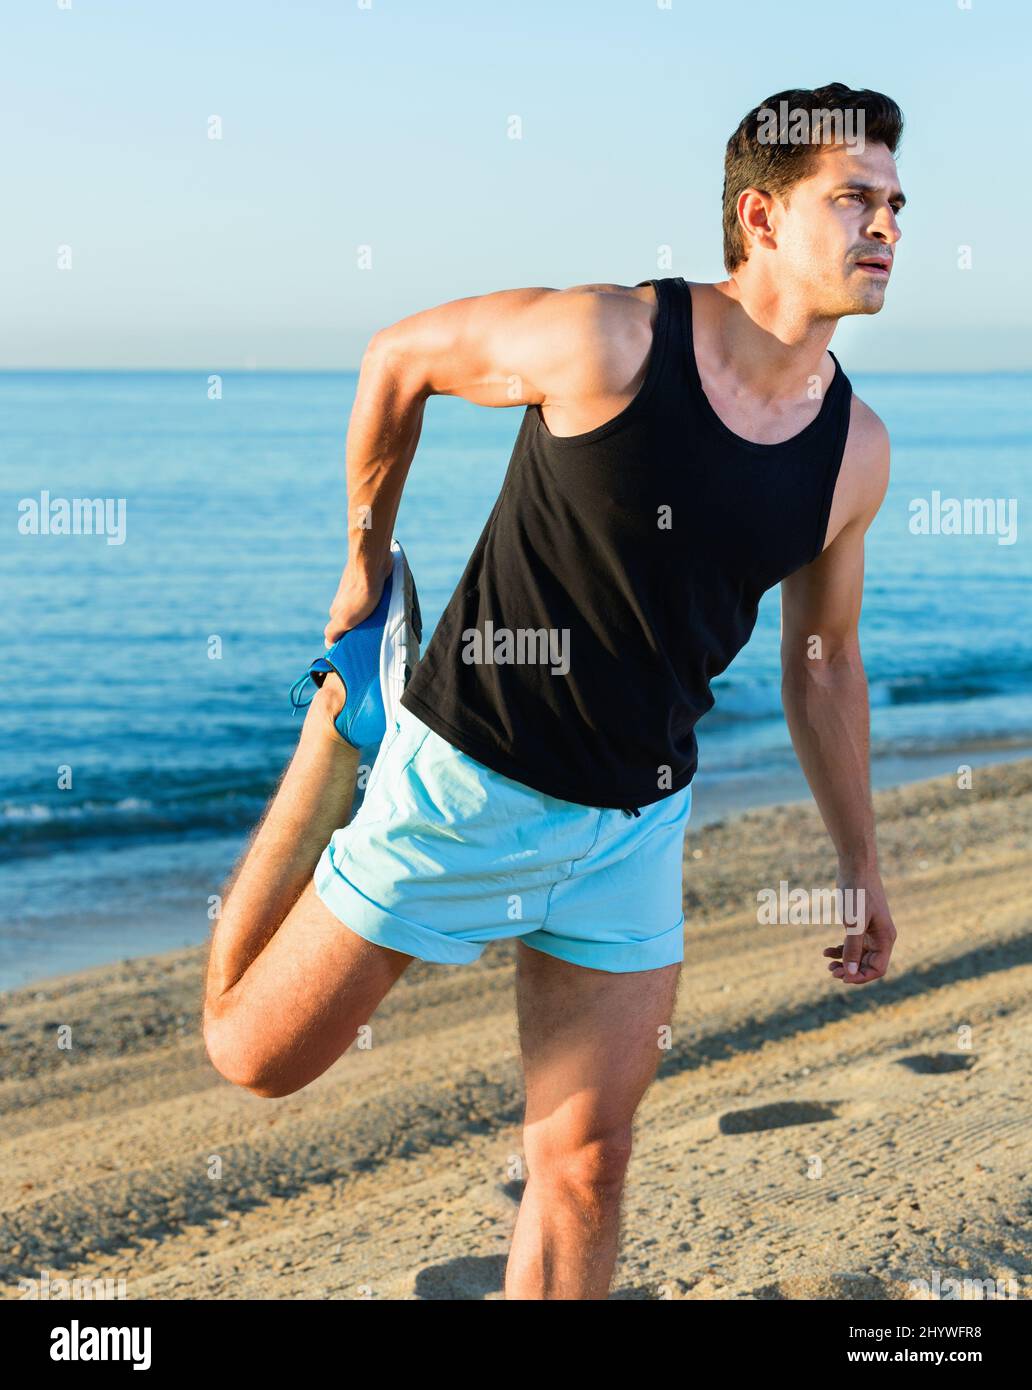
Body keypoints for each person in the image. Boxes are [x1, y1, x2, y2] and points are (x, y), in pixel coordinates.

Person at [204, 82, 903, 1300]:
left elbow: (823, 661)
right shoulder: (610, 337)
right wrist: (365, 553)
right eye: (854, 199)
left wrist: (861, 862)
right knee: (250, 1057)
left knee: (584, 1160)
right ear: (761, 217)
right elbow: (399, 357)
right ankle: (337, 726)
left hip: (633, 826)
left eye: (895, 203)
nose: (886, 226)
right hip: (466, 775)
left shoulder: (856, 450)